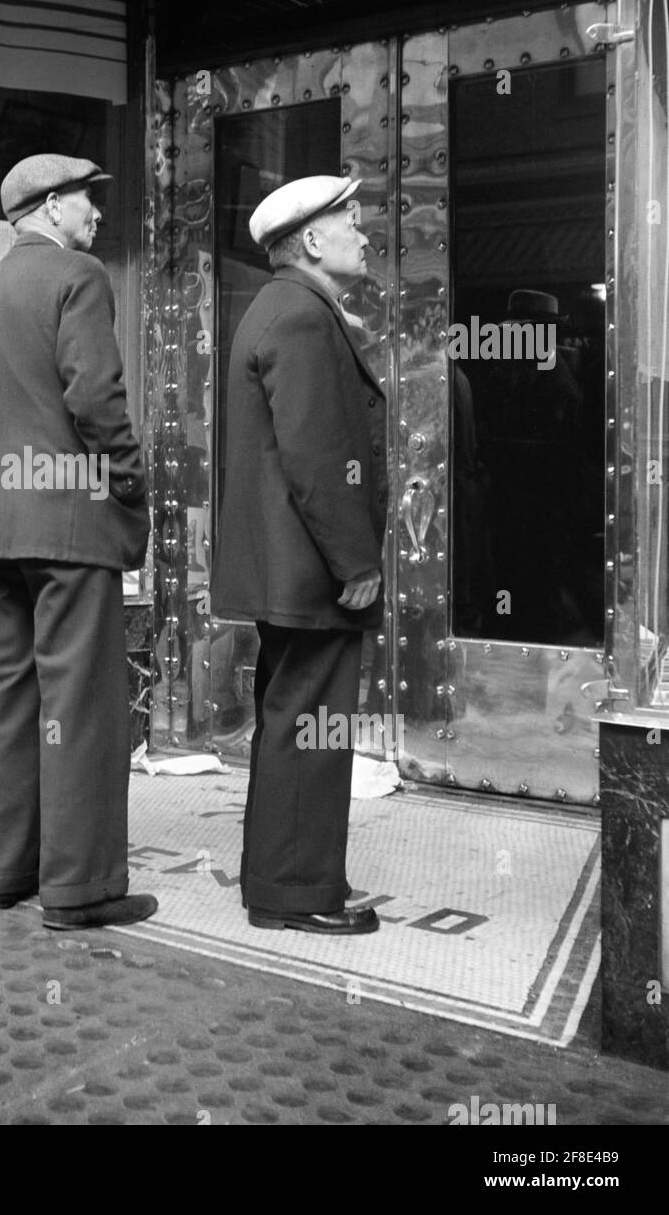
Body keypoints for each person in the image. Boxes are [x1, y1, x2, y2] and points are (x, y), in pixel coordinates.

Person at [0, 153, 154, 930]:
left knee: (7, 697)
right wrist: (128, 481)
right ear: (48, 208)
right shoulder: (79, 278)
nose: (95, 214)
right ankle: (79, 889)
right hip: (69, 523)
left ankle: (4, 872)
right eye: (84, 200)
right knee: (82, 702)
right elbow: (96, 399)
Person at [212, 174, 388, 936]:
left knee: (294, 722)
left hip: (290, 564)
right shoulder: (304, 317)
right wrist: (355, 561)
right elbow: (318, 456)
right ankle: (294, 891)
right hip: (312, 566)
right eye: (351, 219)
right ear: (312, 240)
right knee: (309, 726)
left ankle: (293, 877)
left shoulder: (280, 308)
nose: (364, 230)